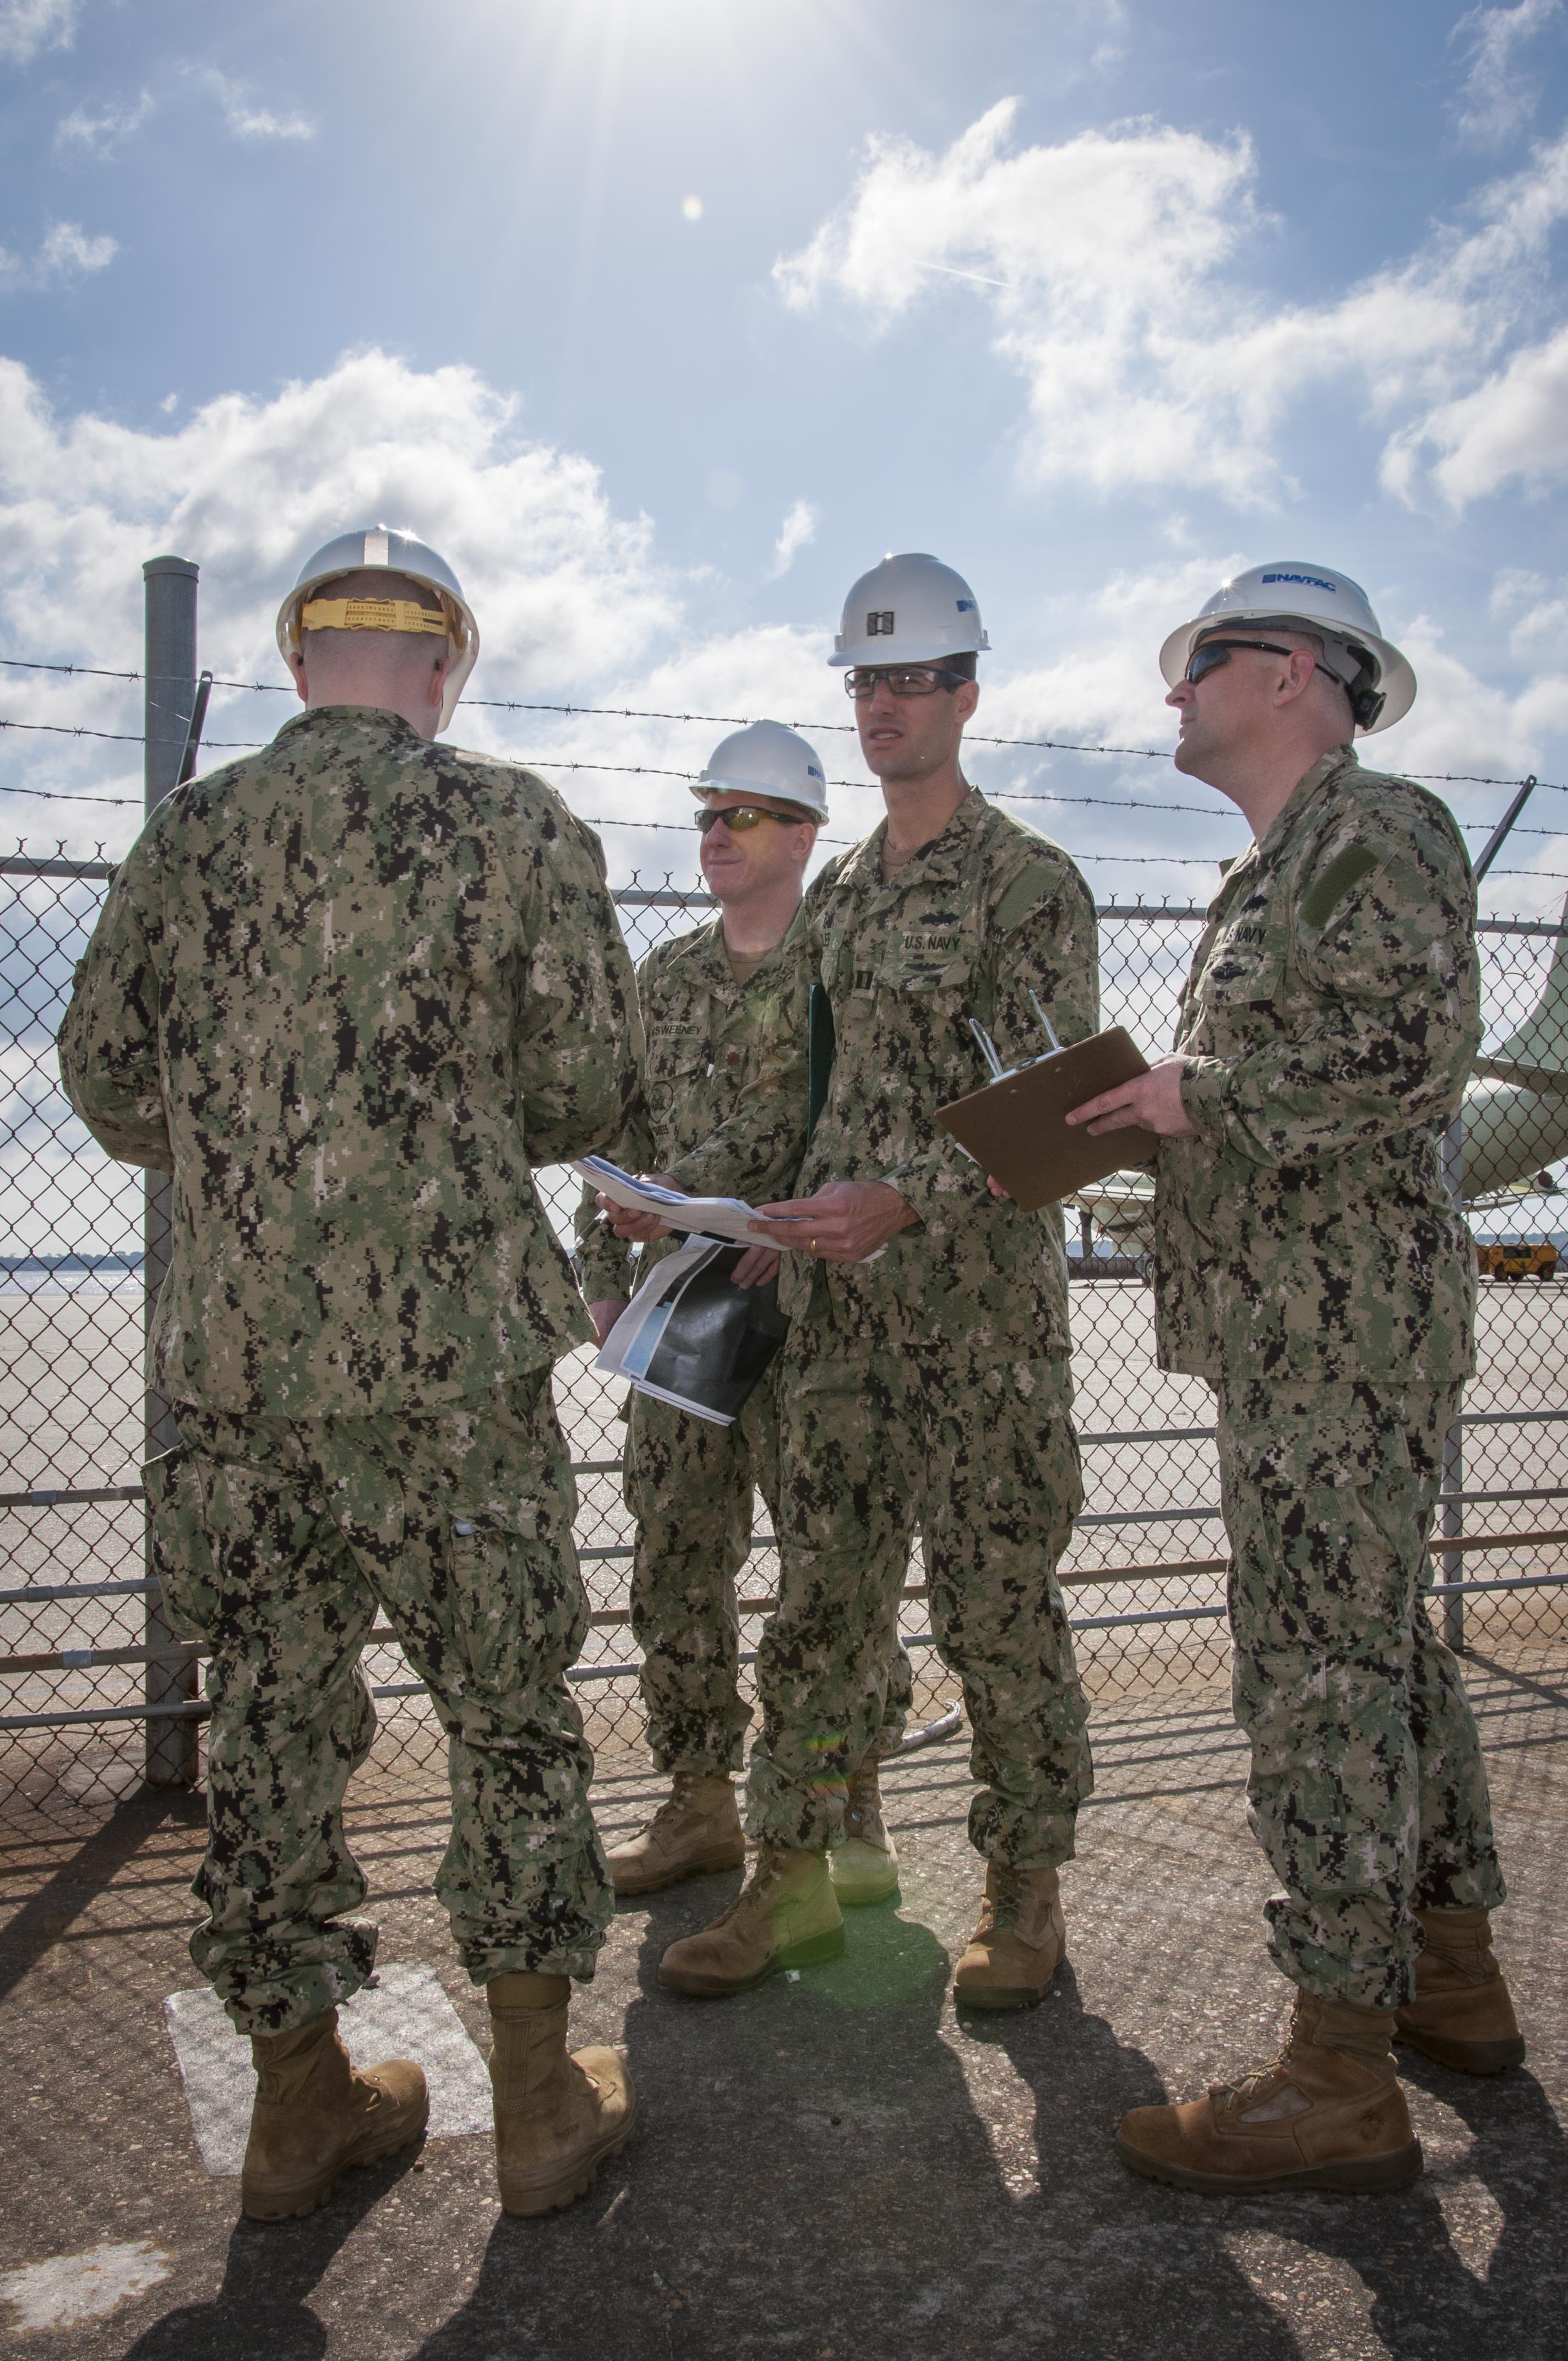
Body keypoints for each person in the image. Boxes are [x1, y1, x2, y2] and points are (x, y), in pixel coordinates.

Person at [59, 525, 644, 2224]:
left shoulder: (192, 837)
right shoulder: (516, 823)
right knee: (512, 1724)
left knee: (267, 1729)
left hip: (237, 1377)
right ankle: (538, 2108)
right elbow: (588, 1084)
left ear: (303, 661)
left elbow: (103, 1088)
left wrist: (254, 1155)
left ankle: (298, 2113)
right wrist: (444, 1139)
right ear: (444, 668)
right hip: (456, 1375)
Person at [1068, 559, 1522, 2197]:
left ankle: (1339, 2070)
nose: (1174, 689)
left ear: (1297, 675)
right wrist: (1141, 1124)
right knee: (1380, 1660)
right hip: (1298, 1339)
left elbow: (1410, 1059)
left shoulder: (1374, 831)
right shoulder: (1265, 876)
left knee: (1317, 1682)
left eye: (1203, 662)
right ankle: (1453, 1985)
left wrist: (1202, 1098)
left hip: (1344, 1346)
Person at [648, 552, 1099, 2005]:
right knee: (825, 1614)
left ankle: (1024, 1893)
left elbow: (1065, 1115)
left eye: (917, 679)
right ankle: (797, 1879)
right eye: (869, 681)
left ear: (968, 693)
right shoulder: (838, 893)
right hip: (839, 1325)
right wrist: (730, 1219)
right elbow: (824, 1100)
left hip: (979, 1328)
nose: (889, 704)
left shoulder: (1029, 883)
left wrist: (913, 1198)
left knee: (996, 1608)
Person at [577, 723, 914, 1908]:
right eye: (708, 812)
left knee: (834, 1576)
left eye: (745, 813)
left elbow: (840, 1116)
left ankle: (845, 1810)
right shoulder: (663, 976)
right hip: (683, 1308)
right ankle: (698, 1803)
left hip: (816, 1313)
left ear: (804, 833)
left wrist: (735, 1209)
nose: (716, 831)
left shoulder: (843, 965)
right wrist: (606, 1264)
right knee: (674, 1559)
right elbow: (610, 1131)